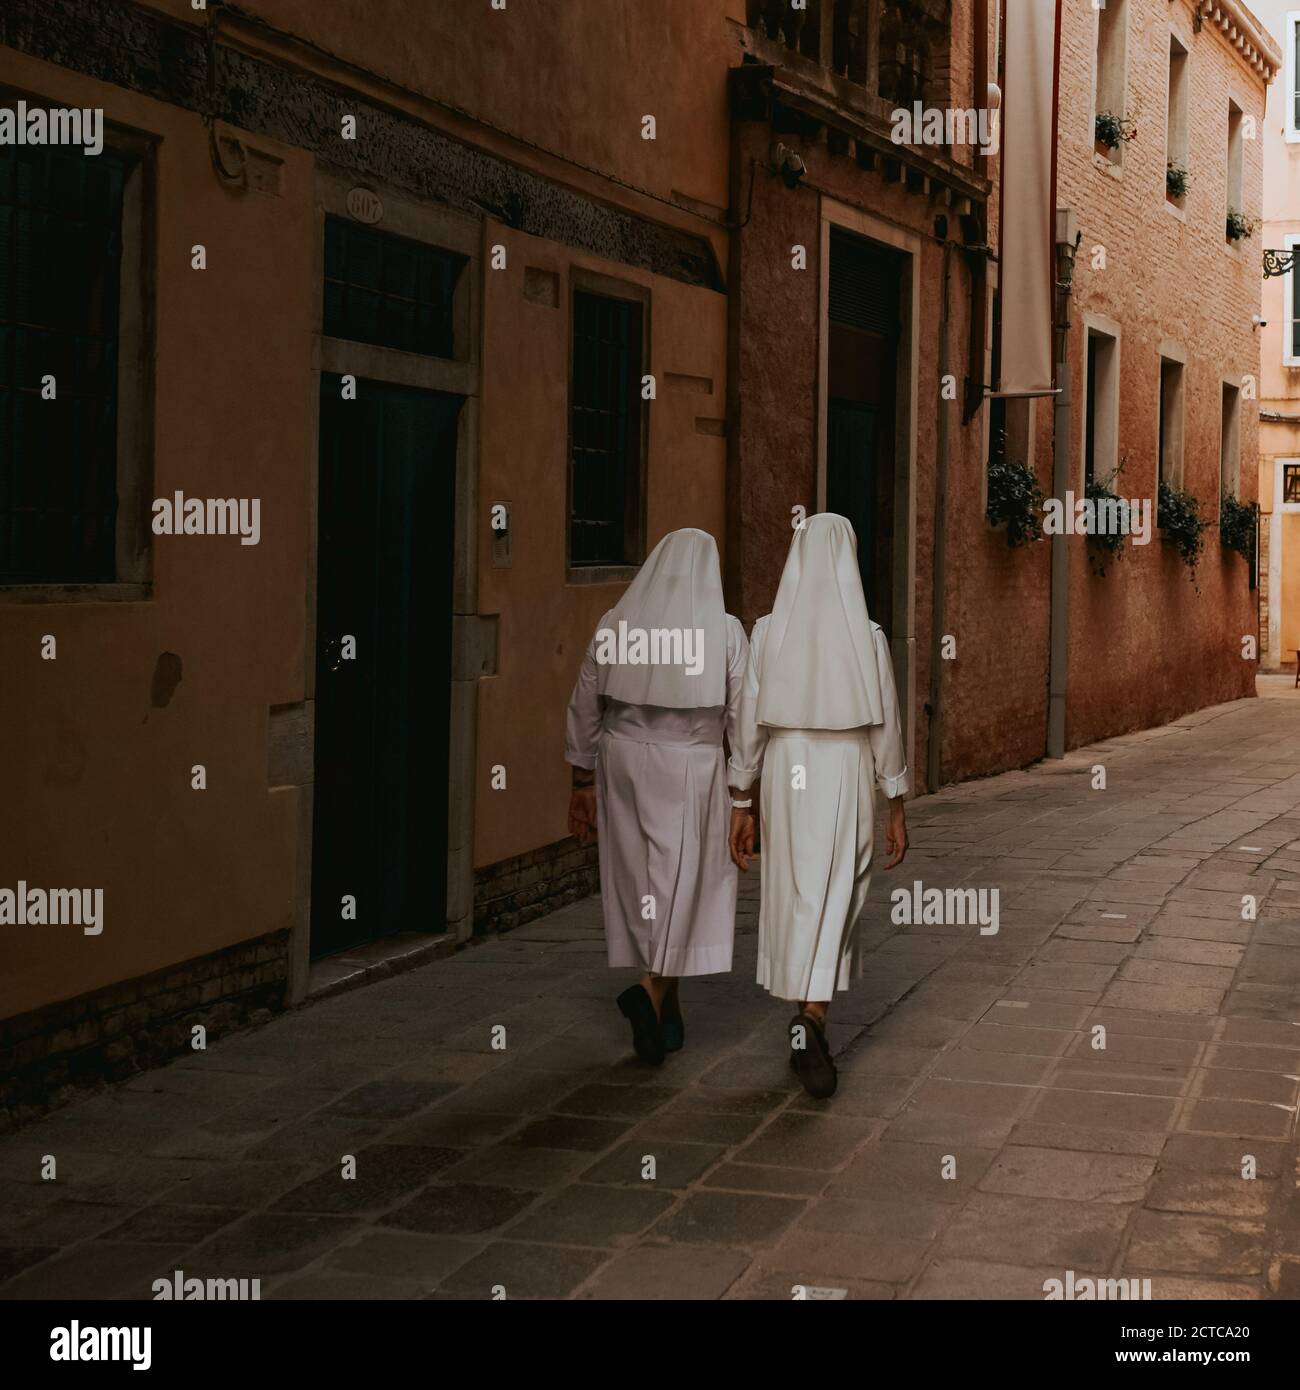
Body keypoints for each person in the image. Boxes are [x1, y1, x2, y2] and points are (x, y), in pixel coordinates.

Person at [727, 513, 909, 1099]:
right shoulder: (870, 637)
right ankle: (814, 1013)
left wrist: (740, 799)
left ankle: (807, 1009)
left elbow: (747, 722)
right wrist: (897, 804)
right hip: (846, 765)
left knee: (798, 886)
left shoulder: (766, 632)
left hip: (785, 769)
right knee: (841, 890)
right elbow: (886, 725)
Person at [565, 528, 749, 1065]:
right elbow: (744, 715)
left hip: (621, 761)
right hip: (689, 764)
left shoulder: (615, 623)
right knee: (684, 882)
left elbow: (583, 702)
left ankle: (667, 1011)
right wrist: (744, 792)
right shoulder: (725, 631)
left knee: (645, 879)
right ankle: (649, 992)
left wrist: (580, 777)